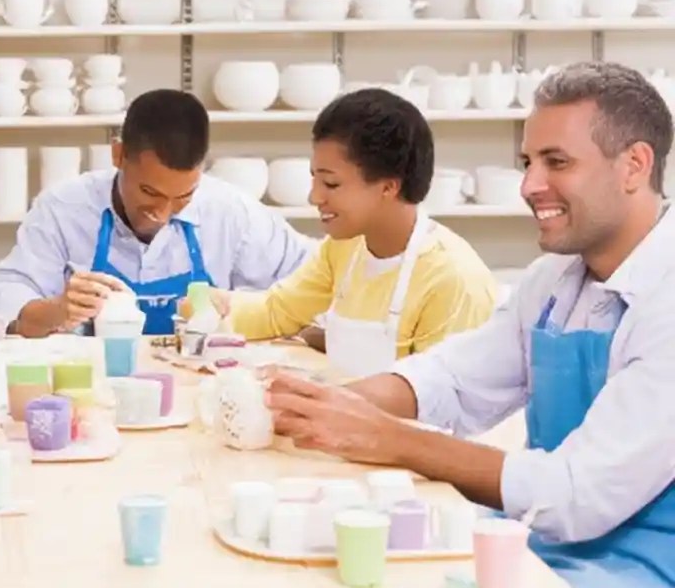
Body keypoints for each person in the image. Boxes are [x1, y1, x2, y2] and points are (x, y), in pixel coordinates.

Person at [264, 61, 675, 588]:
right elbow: (453, 380)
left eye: (557, 162)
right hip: (546, 542)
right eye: (528, 162)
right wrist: (314, 404)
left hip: (647, 575)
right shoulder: (554, 281)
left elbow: (576, 494)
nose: (530, 185)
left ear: (635, 165)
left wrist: (390, 439)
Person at [0, 88, 315, 338]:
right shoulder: (65, 208)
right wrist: (57, 310)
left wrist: (246, 308)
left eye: (183, 196)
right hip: (91, 386)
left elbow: (313, 276)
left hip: (199, 389)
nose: (162, 213)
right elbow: (2, 291)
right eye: (149, 192)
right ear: (119, 155)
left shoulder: (229, 211)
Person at [206, 88, 497, 377]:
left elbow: (441, 410)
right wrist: (206, 307)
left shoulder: (454, 281)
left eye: (331, 184)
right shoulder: (344, 248)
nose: (314, 197)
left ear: (388, 187)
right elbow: (276, 311)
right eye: (314, 180)